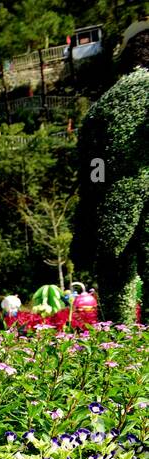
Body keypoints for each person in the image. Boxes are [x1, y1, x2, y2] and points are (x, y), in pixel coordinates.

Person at [76, 22, 149, 322]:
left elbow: (91, 174)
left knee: (115, 281)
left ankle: (120, 346)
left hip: (110, 209)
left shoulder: (100, 108)